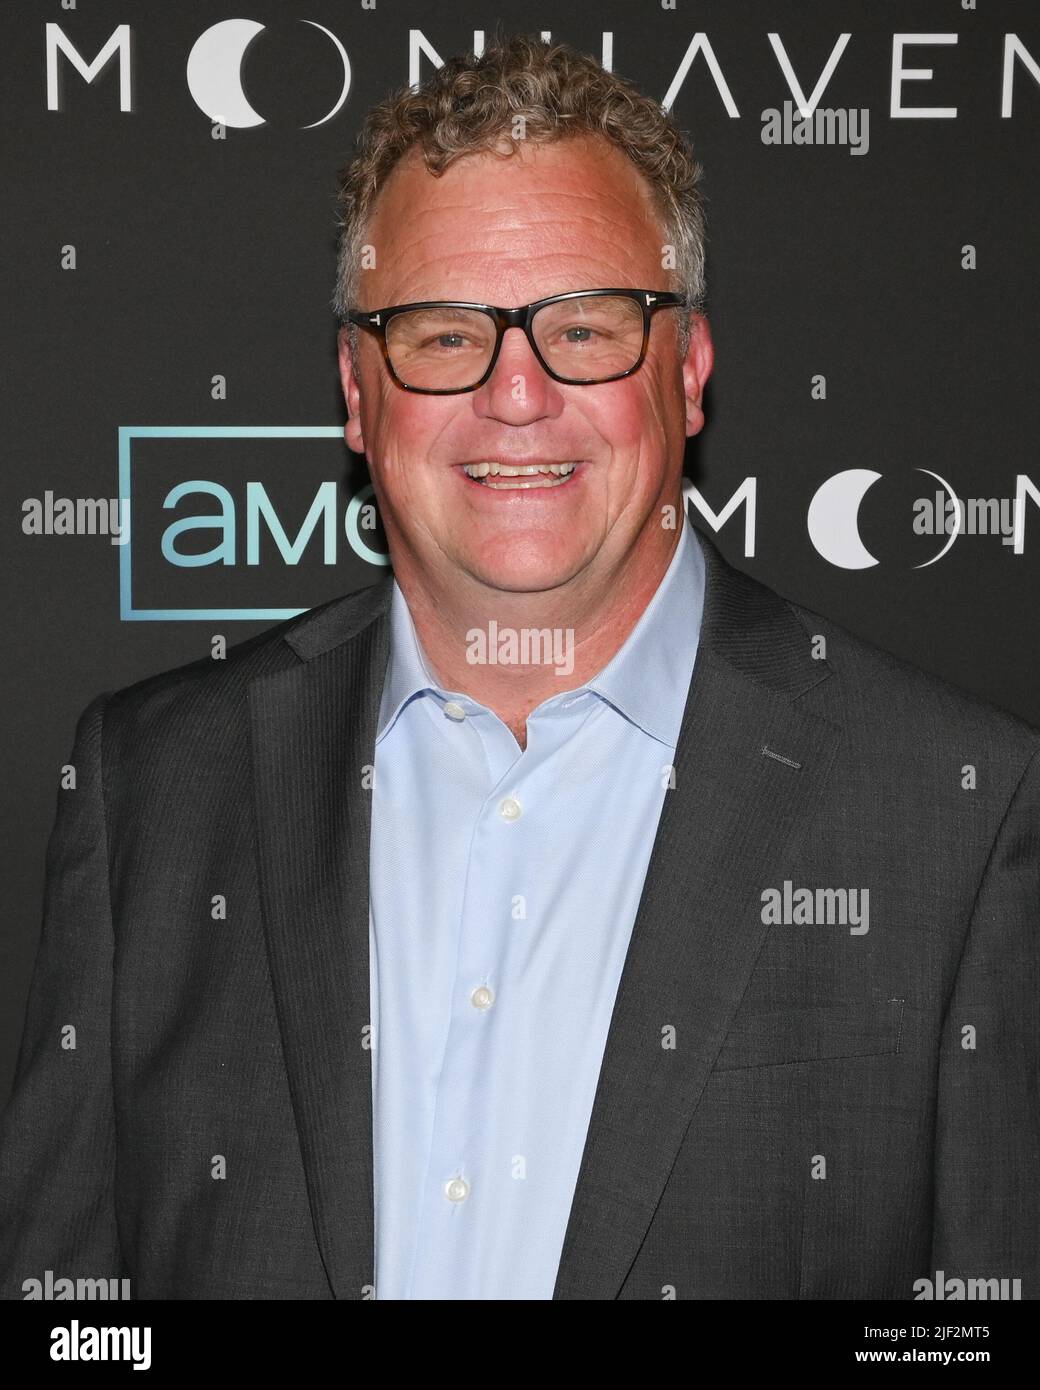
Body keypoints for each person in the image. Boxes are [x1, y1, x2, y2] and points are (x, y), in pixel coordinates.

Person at [1, 34, 1037, 1302]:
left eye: (585, 327)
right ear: (354, 389)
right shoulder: (151, 785)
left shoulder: (953, 810)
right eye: (442, 335)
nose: (515, 393)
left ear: (690, 370)